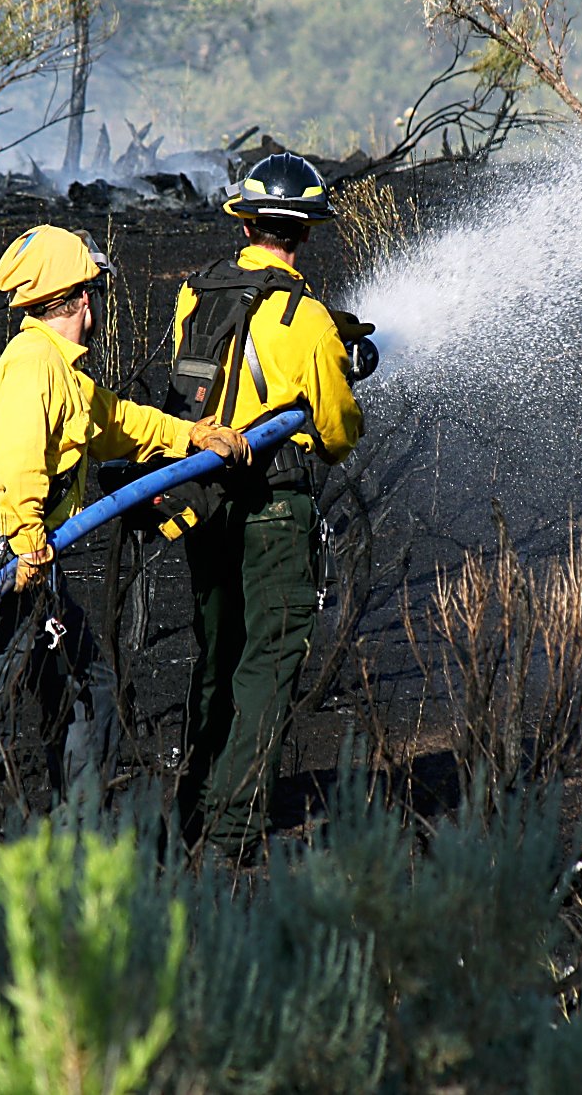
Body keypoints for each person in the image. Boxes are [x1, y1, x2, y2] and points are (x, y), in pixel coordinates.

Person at [0, 223, 249, 892]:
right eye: (95, 292)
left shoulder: (60, 370)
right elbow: (15, 460)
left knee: (87, 692)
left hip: (28, 558)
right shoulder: (33, 364)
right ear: (83, 299)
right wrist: (28, 536)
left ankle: (80, 845)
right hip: (3, 557)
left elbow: (118, 421)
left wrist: (192, 436)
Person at [165, 153, 367, 861]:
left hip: (202, 499)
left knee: (217, 653)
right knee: (269, 657)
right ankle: (233, 829)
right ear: (305, 233)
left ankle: (191, 808)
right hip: (273, 507)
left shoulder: (194, 294)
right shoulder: (307, 318)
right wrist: (338, 372)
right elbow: (336, 433)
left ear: (246, 224)